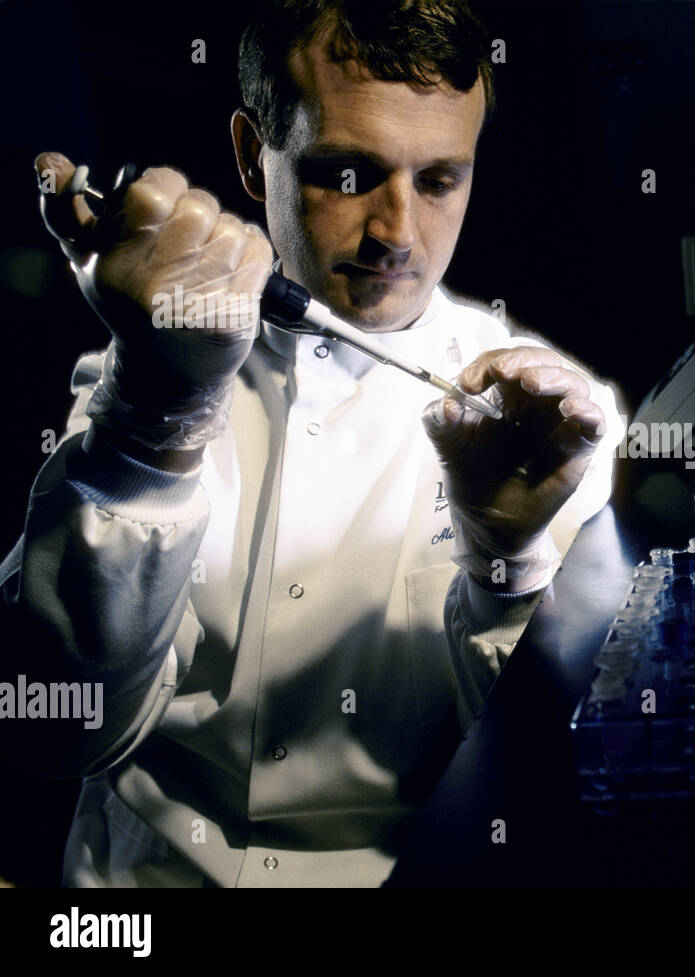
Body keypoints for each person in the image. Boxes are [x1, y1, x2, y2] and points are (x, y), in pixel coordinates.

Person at [0, 0, 622, 886]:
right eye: (347, 173)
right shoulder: (140, 379)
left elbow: (558, 785)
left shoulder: (553, 422)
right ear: (257, 157)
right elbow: (50, 732)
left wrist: (507, 563)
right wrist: (150, 425)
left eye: (441, 180)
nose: (397, 235)